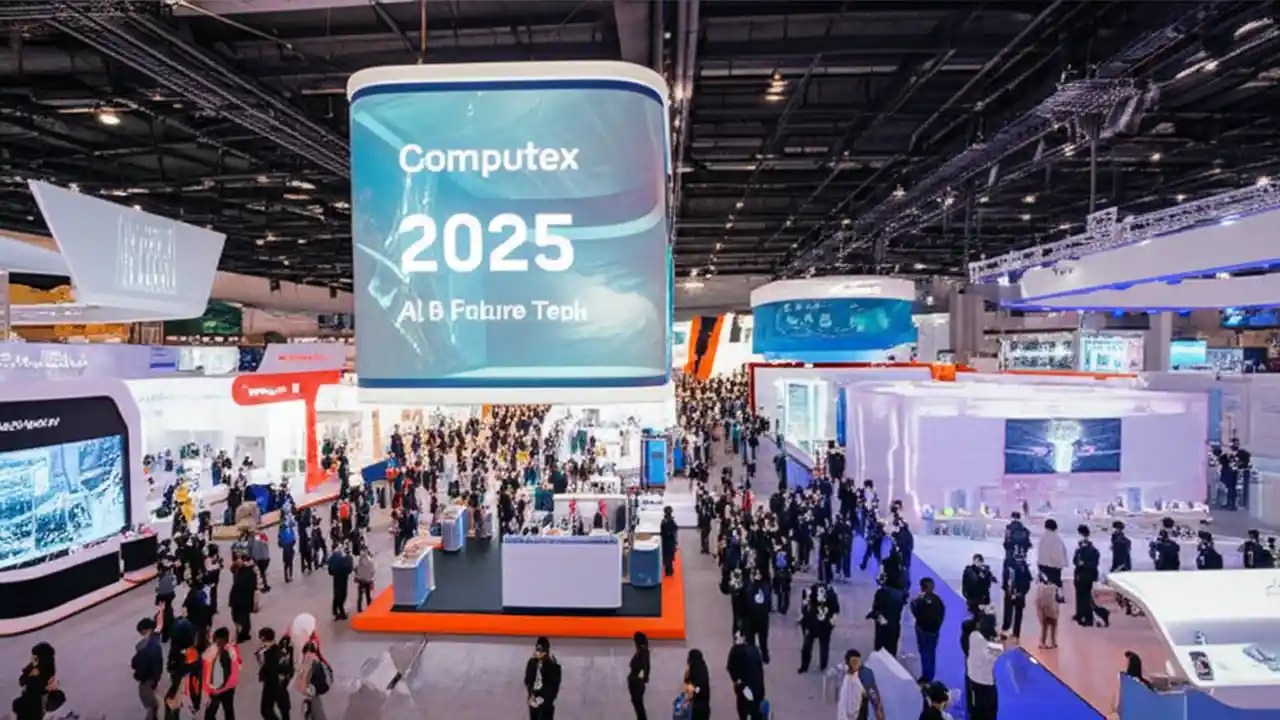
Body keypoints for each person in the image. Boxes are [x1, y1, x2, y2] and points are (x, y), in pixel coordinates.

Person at [965, 615, 1001, 720]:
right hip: (985, 683)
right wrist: (1000, 643)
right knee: (989, 711)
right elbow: (992, 656)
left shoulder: (973, 636)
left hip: (973, 679)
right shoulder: (987, 645)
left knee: (976, 709)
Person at [909, 578, 945, 683]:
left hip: (923, 630)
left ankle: (926, 677)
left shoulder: (919, 600)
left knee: (924, 653)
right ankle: (930, 674)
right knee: (931, 653)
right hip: (934, 631)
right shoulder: (938, 600)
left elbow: (914, 610)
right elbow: (942, 613)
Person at [202, 627, 241, 719]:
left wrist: (216, 690)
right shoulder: (231, 650)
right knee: (228, 709)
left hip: (219, 688)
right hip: (230, 685)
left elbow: (221, 674)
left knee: (210, 714)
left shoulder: (220, 654)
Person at [726, 630, 766, 720]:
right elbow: (760, 670)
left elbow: (731, 668)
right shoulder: (754, 650)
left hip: (744, 686)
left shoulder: (735, 651)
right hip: (756, 685)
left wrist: (737, 681)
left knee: (743, 707)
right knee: (755, 708)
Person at [256, 628, 293, 720]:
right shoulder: (280, 650)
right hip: (280, 683)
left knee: (266, 710)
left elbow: (270, 668)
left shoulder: (268, 653)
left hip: (273, 683)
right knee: (283, 709)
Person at [14, 641, 57, 720]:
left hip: (37, 702)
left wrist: (32, 677)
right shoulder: (32, 666)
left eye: (35, 657)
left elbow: (41, 687)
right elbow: (22, 681)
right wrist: (30, 674)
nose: (33, 659)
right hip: (28, 700)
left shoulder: (47, 670)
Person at [1072, 525, 1104, 627]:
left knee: (1083, 596)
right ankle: (1083, 615)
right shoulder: (1092, 549)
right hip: (1089, 574)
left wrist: (1082, 564)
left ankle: (1084, 616)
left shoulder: (1082, 549)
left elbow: (1076, 561)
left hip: (1083, 574)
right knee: (1085, 595)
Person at [133, 618, 164, 720]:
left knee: (151, 706)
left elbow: (138, 665)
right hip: (155, 677)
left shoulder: (143, 647)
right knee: (154, 705)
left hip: (147, 680)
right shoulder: (156, 642)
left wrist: (137, 675)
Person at [524, 637, 561, 720]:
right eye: (537, 649)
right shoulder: (532, 663)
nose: (537, 652)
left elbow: (553, 686)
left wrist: (543, 699)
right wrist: (532, 694)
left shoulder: (553, 666)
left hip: (546, 701)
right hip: (534, 699)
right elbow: (528, 680)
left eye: (540, 650)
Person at [1001, 552, 1032, 642]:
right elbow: (1006, 578)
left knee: (1014, 614)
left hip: (1017, 594)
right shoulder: (1014, 566)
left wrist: (1021, 592)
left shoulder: (1022, 567)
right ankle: (1010, 631)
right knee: (1010, 613)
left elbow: (1027, 582)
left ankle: (1014, 633)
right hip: (1013, 593)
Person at [1035, 519, 1068, 598]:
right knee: (1056, 585)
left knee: (1045, 586)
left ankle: (1044, 602)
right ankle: (1058, 598)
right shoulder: (1058, 539)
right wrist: (1063, 565)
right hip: (1055, 567)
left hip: (1043, 566)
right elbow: (1061, 554)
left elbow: (1040, 554)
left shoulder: (1042, 539)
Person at [327, 544, 354, 621]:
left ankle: (336, 612)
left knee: (337, 595)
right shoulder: (346, 558)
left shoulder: (334, 558)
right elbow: (349, 569)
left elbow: (330, 572)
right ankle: (341, 612)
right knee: (342, 595)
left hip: (337, 578)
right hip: (343, 578)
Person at [836, 650, 866, 720]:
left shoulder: (857, 677)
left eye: (858, 662)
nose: (856, 664)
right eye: (854, 662)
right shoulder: (848, 678)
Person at [627, 632, 650, 720]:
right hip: (636, 682)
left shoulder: (643, 652)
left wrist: (639, 679)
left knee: (638, 705)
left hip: (636, 683)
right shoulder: (642, 651)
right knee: (638, 705)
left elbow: (643, 668)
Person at [684, 649, 711, 720]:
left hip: (698, 708)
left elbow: (699, 687)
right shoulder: (701, 667)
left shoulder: (698, 671)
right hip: (703, 706)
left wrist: (694, 692)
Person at [1035, 575, 1059, 650]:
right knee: (1053, 626)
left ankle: (1043, 642)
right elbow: (1059, 598)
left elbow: (1038, 601)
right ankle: (1053, 642)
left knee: (1045, 627)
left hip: (1044, 610)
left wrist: (1039, 610)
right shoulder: (1054, 587)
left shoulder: (1040, 588)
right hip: (1053, 610)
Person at [355, 548, 376, 612]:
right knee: (368, 595)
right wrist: (370, 578)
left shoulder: (359, 561)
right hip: (367, 581)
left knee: (360, 595)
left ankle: (359, 609)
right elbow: (373, 571)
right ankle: (369, 608)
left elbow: (356, 570)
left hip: (361, 580)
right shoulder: (370, 562)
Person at [660, 506, 679, 577]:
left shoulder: (663, 521)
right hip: (671, 540)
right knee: (670, 556)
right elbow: (675, 531)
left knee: (666, 556)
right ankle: (670, 570)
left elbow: (661, 533)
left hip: (665, 541)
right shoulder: (672, 521)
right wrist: (676, 542)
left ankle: (667, 570)